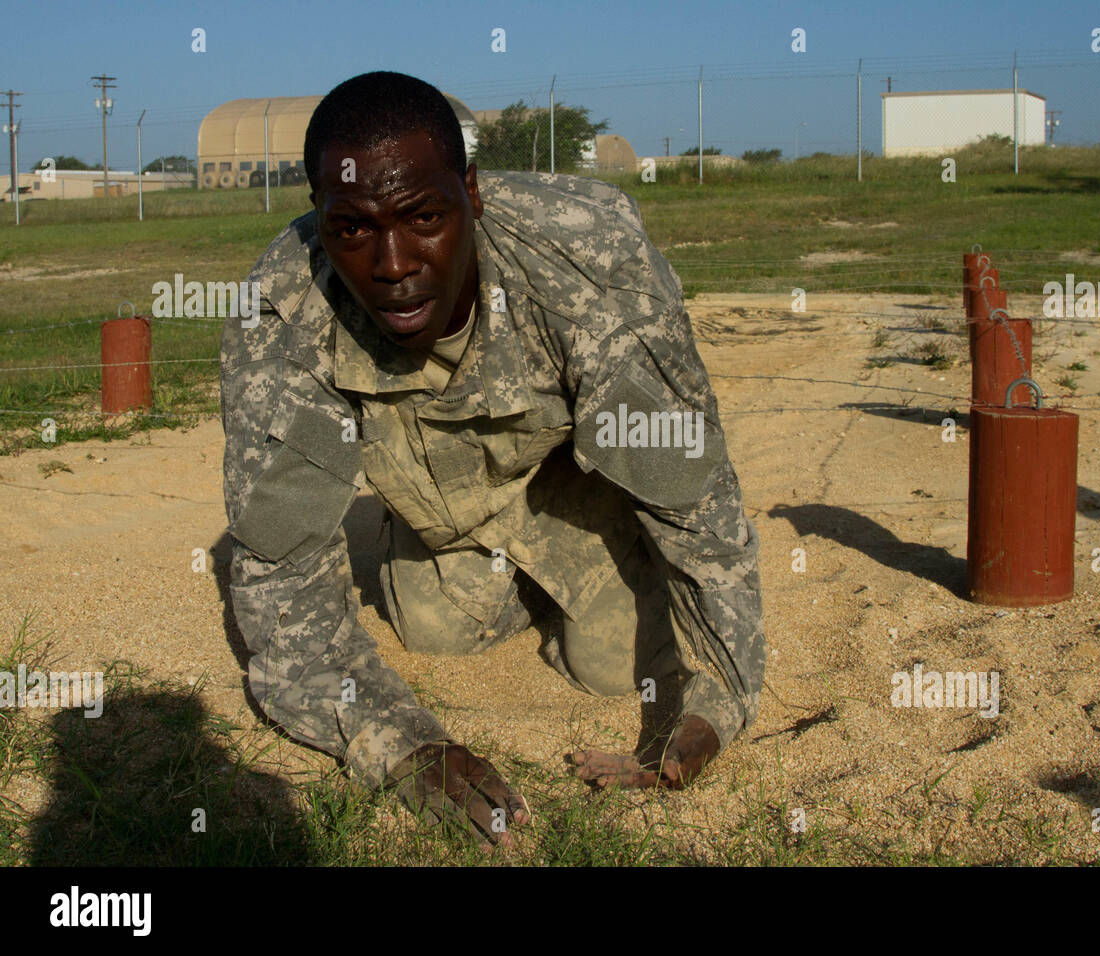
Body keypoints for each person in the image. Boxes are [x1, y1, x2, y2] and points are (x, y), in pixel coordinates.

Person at [220, 71, 765, 847]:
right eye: (352, 231)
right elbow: (282, 588)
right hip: (448, 510)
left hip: (569, 481)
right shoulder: (284, 311)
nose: (394, 263)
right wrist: (400, 743)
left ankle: (600, 553)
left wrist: (715, 703)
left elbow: (695, 506)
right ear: (318, 219)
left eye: (425, 217)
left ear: (471, 193)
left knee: (612, 664)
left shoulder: (586, 264)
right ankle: (495, 570)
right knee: (432, 626)